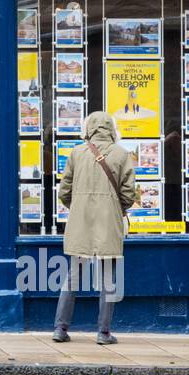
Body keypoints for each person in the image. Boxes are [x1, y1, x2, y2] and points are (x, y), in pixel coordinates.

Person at [55, 111, 135, 345]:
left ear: (88, 128)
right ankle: (104, 332)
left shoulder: (77, 153)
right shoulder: (121, 154)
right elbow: (128, 193)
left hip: (80, 221)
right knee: (108, 278)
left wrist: (78, 206)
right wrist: (115, 206)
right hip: (108, 221)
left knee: (72, 277)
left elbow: (64, 192)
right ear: (112, 128)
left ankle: (60, 328)